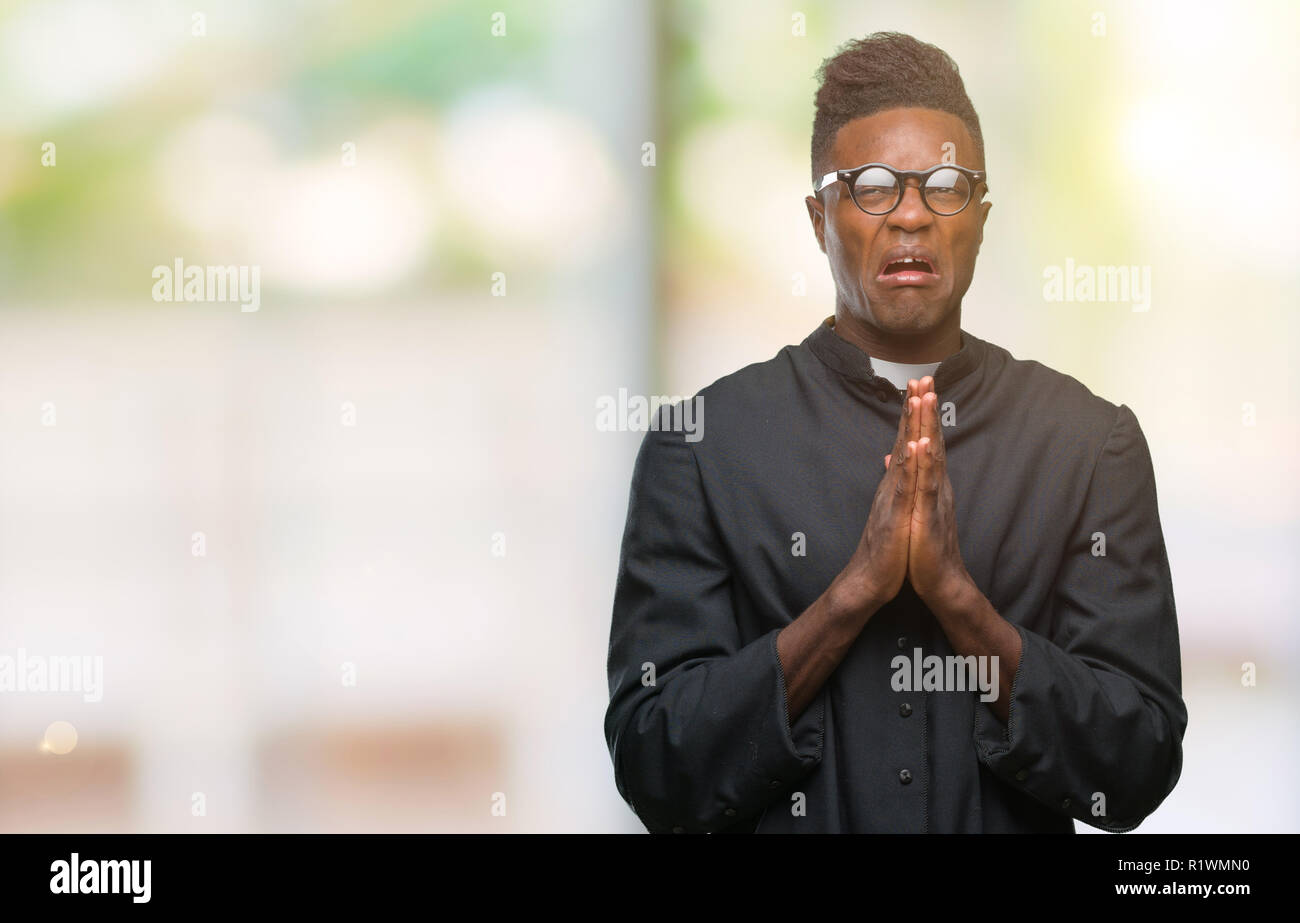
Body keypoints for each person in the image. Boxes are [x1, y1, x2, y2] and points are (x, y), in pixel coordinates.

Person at [602, 32, 1186, 833]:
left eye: (946, 185)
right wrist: (852, 595)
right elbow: (654, 763)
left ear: (980, 216)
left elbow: (1139, 765)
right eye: (871, 186)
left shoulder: (1089, 444)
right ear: (819, 218)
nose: (911, 213)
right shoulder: (701, 449)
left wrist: (960, 602)